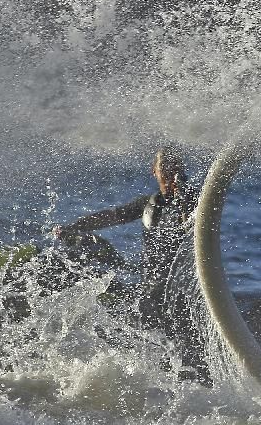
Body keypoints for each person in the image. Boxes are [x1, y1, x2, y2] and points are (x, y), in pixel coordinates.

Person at [55, 147, 209, 383]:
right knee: (150, 348)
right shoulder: (149, 204)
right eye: (164, 169)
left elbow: (190, 223)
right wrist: (74, 227)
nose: (169, 175)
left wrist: (184, 195)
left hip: (181, 295)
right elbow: (110, 216)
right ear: (154, 171)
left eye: (174, 169)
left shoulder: (195, 201)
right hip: (150, 291)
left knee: (189, 358)